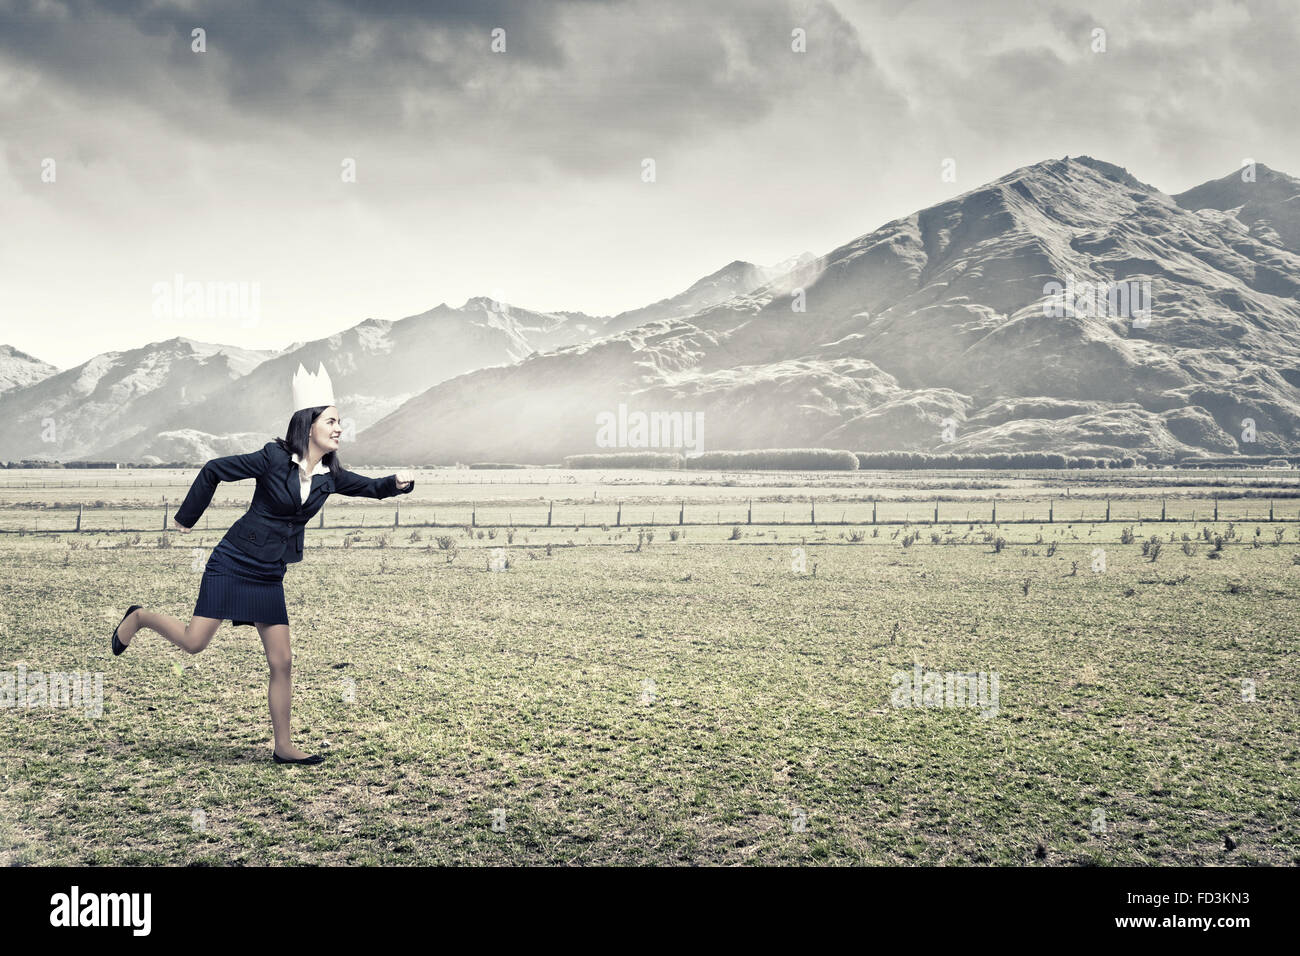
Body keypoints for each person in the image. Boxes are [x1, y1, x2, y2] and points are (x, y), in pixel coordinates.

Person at [110, 362, 414, 765]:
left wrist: (396, 483)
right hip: (233, 561)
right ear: (309, 425)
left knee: (282, 661)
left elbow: (371, 488)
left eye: (340, 422)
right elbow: (214, 469)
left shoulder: (330, 474)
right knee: (194, 643)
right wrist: (186, 518)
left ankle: (284, 746)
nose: (340, 428)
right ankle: (140, 617)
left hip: (270, 572)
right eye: (332, 421)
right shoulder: (272, 457)